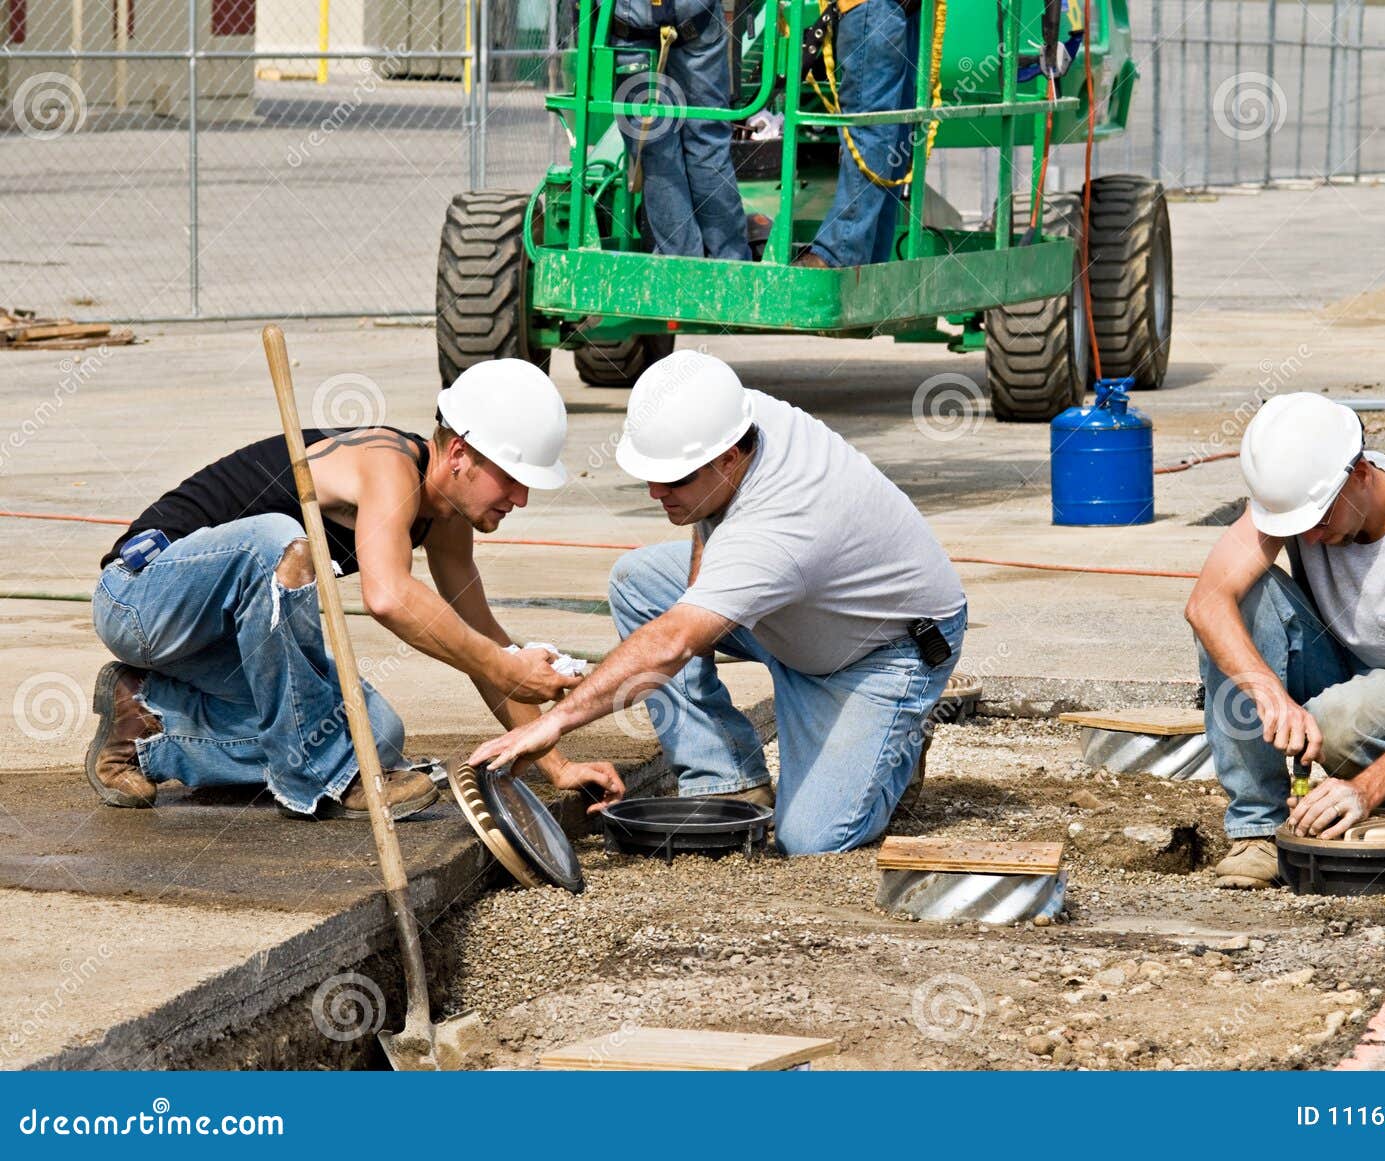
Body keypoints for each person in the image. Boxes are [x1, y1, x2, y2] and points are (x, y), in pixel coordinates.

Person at [469, 350, 967, 854]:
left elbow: (673, 640)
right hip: (802, 611)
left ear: (728, 459)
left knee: (811, 839)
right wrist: (695, 599)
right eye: (651, 472)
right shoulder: (729, 412)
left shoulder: (781, 528)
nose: (655, 490)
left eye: (676, 479)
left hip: (881, 651)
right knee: (640, 582)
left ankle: (897, 741)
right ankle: (723, 776)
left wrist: (552, 723)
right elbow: (710, 522)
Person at [86, 360, 625, 820]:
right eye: (511, 477)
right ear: (460, 452)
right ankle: (317, 777)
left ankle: (145, 730)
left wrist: (555, 760)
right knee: (277, 540)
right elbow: (388, 595)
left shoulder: (448, 514)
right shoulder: (387, 464)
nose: (522, 498)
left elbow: (479, 639)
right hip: (142, 600)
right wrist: (504, 666)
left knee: (376, 738)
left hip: (220, 644)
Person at [1184, 392, 1385, 888]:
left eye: (1318, 521)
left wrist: (1361, 792)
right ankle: (1256, 828)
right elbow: (1206, 604)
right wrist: (1272, 697)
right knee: (1246, 599)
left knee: (1338, 720)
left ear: (1359, 472)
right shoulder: (1302, 497)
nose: (1310, 537)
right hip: (1346, 670)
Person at [612, 0, 751, 259]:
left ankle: (682, 265)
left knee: (654, 150)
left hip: (630, 29)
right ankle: (732, 268)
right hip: (695, 21)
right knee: (707, 144)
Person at [795, 0, 917, 268]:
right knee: (892, 130)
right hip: (904, 10)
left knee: (870, 127)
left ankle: (839, 253)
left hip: (872, 9)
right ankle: (869, 259)